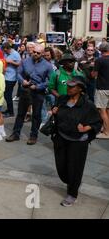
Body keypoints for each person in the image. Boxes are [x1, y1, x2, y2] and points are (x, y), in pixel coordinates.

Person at [51, 76, 102, 207]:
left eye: (72, 86)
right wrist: (54, 111)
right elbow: (56, 110)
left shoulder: (88, 105)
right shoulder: (62, 99)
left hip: (78, 142)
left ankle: (72, 194)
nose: (68, 88)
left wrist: (86, 128)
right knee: (62, 168)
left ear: (80, 89)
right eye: (68, 86)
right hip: (61, 138)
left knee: (75, 168)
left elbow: (98, 122)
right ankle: (72, 182)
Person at [6, 44, 53, 145]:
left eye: (38, 53)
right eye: (34, 52)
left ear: (43, 53)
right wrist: (22, 81)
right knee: (20, 113)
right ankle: (15, 133)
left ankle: (33, 136)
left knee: (36, 114)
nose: (35, 54)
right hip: (26, 89)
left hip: (38, 91)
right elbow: (18, 73)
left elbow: (50, 81)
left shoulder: (48, 66)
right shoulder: (26, 61)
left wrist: (38, 86)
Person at [92, 42, 109, 139]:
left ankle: (106, 132)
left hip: (102, 88)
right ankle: (107, 129)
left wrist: (91, 68)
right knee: (107, 110)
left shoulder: (99, 60)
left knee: (102, 110)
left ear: (100, 50)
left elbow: (94, 75)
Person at [3, 43, 21, 118]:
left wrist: (11, 62)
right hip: (6, 76)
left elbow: (19, 64)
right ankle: (8, 109)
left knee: (8, 94)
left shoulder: (15, 54)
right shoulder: (6, 53)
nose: (4, 52)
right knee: (5, 94)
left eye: (5, 50)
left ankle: (11, 112)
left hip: (12, 77)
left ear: (8, 48)